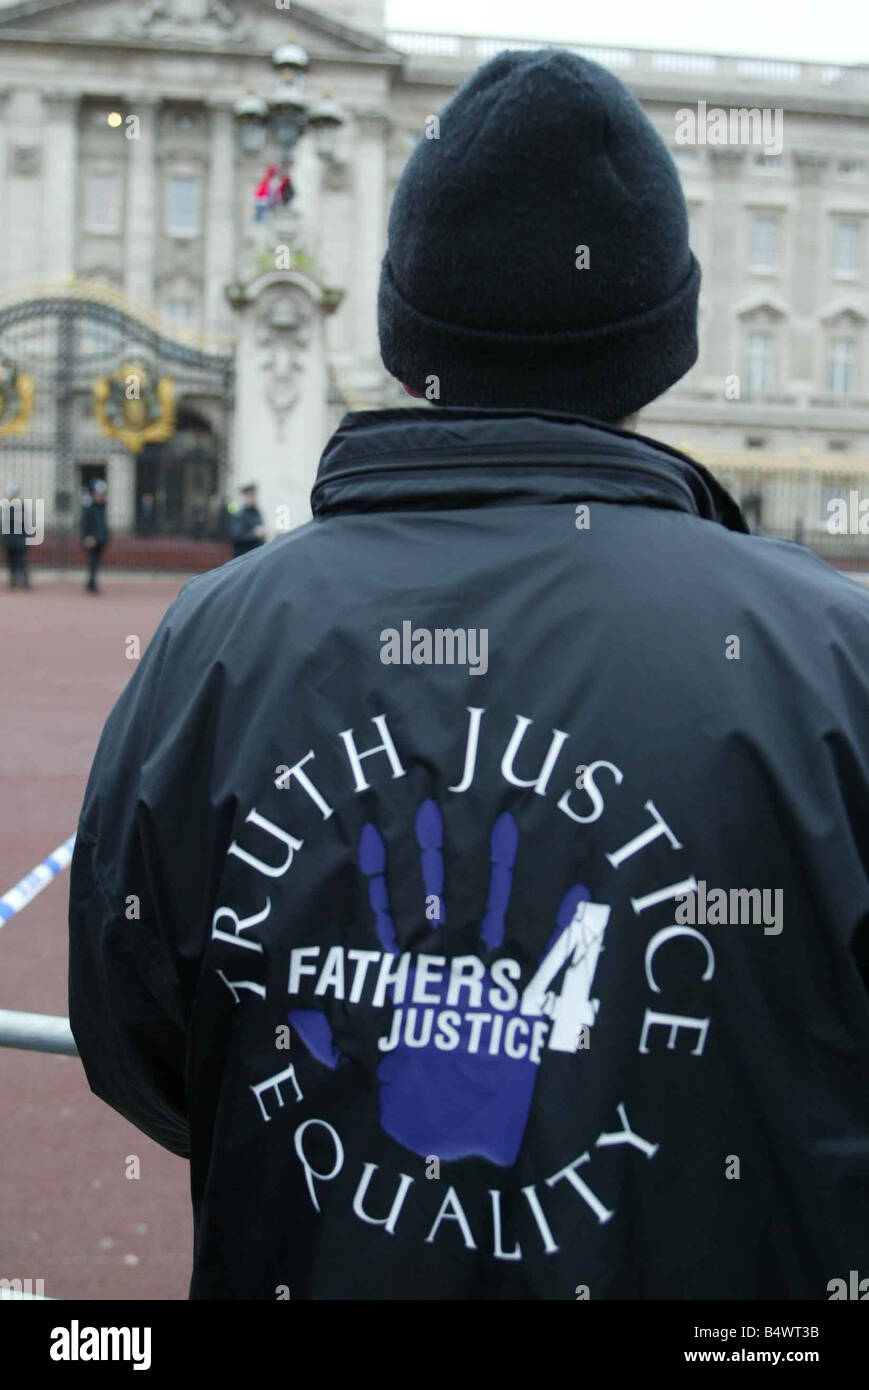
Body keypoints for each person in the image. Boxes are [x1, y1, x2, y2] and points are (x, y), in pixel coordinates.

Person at [69, 50, 869, 1301]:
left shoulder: (210, 642)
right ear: (661, 341)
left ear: (402, 329)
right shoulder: (838, 660)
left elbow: (143, 1040)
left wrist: (382, 1035)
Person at [80, 477, 109, 593]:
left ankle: (92, 582)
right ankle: (91, 583)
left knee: (96, 562)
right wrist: (87, 536)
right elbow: (85, 523)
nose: (101, 496)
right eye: (98, 494)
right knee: (92, 562)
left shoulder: (102, 507)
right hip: (92, 539)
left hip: (100, 538)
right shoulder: (89, 507)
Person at [2, 482, 30, 589]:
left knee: (21, 561)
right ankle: (13, 581)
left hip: (19, 539)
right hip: (9, 539)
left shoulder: (21, 506)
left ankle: (24, 582)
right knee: (11, 561)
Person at [227, 482, 266, 558]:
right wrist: (254, 534)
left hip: (255, 556)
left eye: (255, 495)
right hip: (243, 557)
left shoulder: (256, 512)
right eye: (251, 495)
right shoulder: (239, 513)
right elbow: (236, 536)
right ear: (245, 496)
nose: (254, 498)